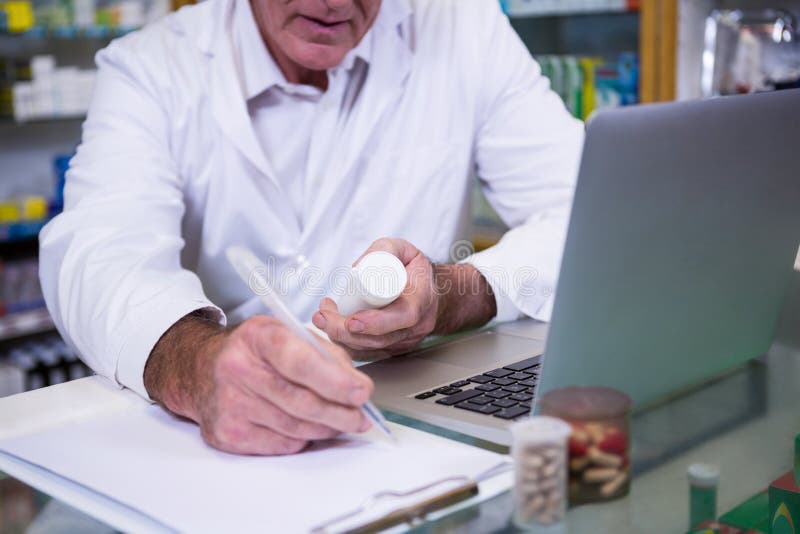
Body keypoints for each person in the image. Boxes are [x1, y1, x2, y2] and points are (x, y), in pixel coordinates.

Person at [39, 0, 584, 455]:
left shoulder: (462, 28)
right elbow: (100, 251)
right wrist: (195, 365)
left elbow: (584, 212)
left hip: (410, 430)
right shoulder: (153, 67)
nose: (332, 4)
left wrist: (449, 294)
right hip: (223, 449)